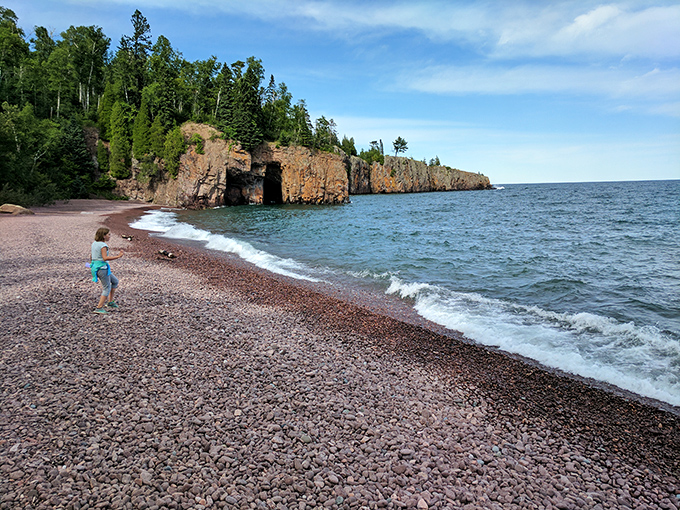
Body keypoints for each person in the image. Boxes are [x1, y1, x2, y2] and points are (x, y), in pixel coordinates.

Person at [91, 227, 124, 314]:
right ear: (104, 235)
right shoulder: (103, 246)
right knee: (107, 288)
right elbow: (105, 258)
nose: (110, 236)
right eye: (109, 234)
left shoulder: (94, 243)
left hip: (98, 267)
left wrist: (93, 264)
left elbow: (91, 257)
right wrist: (118, 256)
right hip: (102, 269)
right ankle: (99, 308)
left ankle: (110, 302)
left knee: (115, 281)